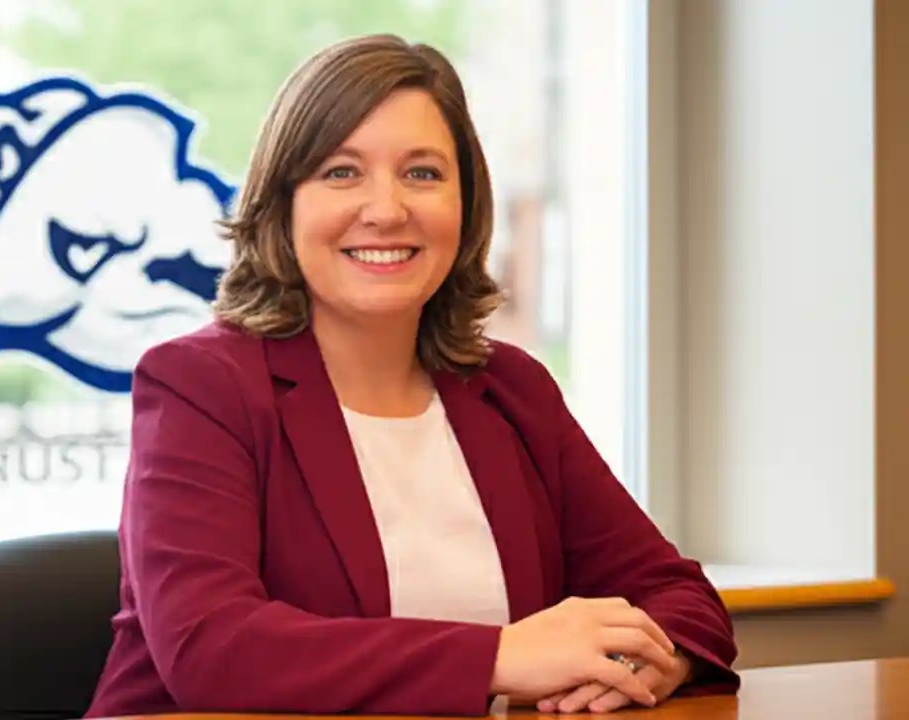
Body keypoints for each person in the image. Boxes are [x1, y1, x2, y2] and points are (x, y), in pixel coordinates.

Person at [85, 33, 738, 717]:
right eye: (341, 172)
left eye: (422, 173)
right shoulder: (200, 385)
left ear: (466, 203)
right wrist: (500, 657)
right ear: (284, 205)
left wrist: (647, 660)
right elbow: (211, 649)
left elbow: (682, 598)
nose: (387, 208)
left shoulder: (511, 390)